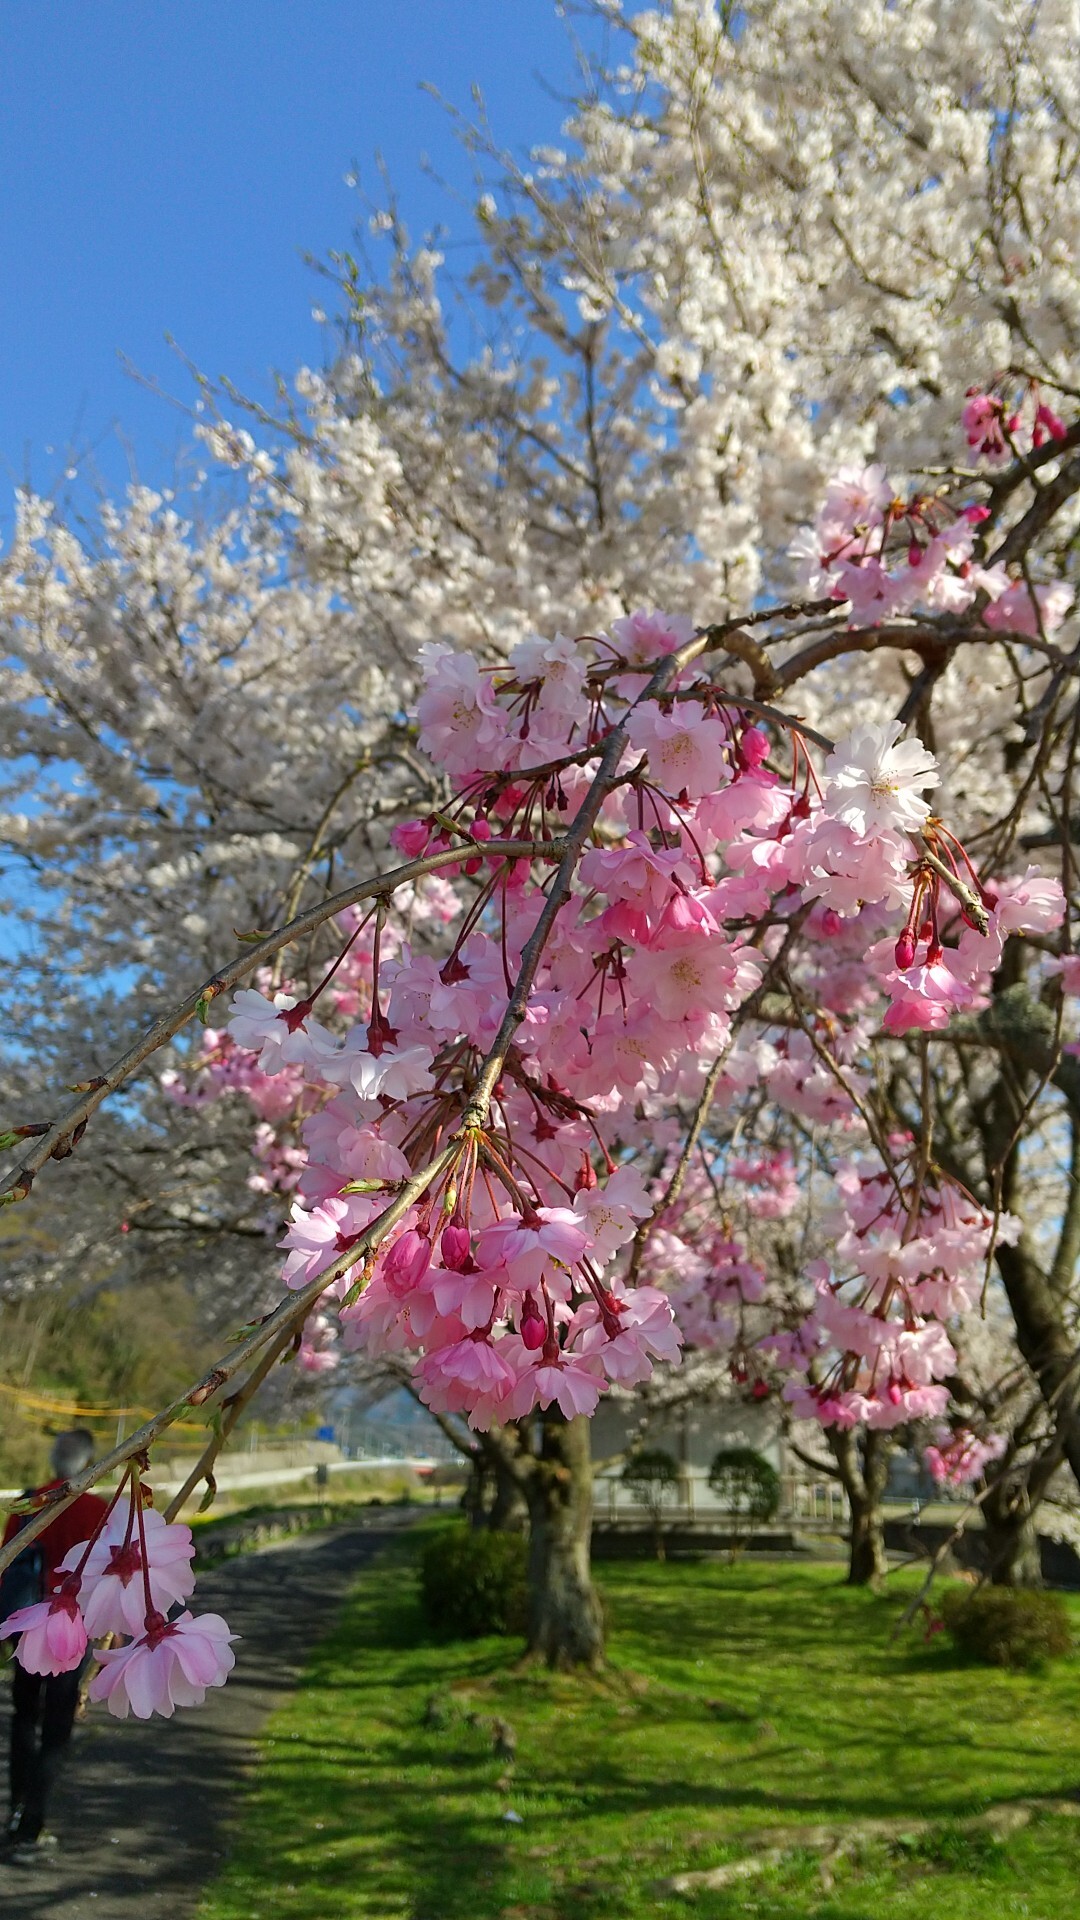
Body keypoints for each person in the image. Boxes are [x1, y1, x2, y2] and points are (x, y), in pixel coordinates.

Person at [1, 1429, 108, 1859]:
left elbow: (7, 1561)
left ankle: (15, 1812)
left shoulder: (31, 1503)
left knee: (23, 1719)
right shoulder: (97, 1510)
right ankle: (32, 1824)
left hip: (27, 1625)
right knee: (56, 1730)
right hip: (72, 1630)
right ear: (89, 1462)